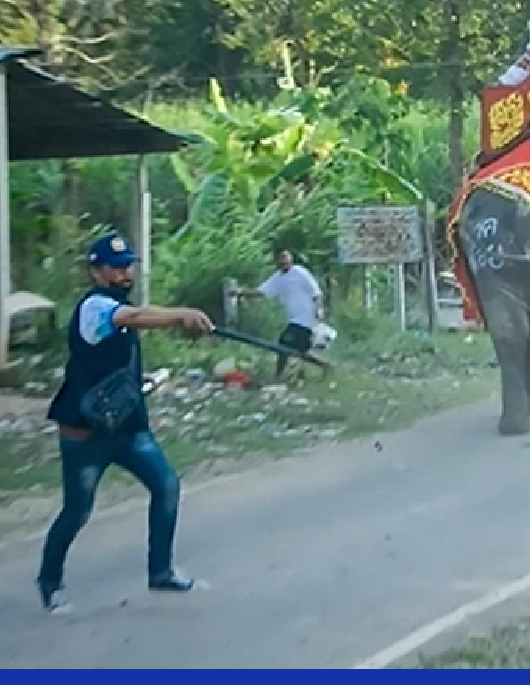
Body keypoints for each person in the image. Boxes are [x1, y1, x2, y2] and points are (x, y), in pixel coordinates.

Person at [39, 232, 214, 614]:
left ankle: (161, 571)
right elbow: (135, 317)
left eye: (128, 266)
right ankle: (50, 583)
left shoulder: (118, 306)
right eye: (116, 268)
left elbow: (139, 315)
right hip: (86, 433)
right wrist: (180, 314)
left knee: (166, 486)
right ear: (95, 272)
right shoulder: (94, 307)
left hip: (126, 427)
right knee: (77, 511)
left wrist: (178, 320)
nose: (125, 273)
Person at [232, 248, 325, 378]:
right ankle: (325, 366)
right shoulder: (277, 278)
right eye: (280, 258)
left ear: (291, 258)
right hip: (295, 319)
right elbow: (262, 292)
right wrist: (241, 292)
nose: (283, 261)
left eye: (285, 257)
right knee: (298, 350)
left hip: (306, 317)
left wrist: (319, 309)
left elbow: (316, 292)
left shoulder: (300, 272)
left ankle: (279, 375)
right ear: (276, 261)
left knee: (284, 345)